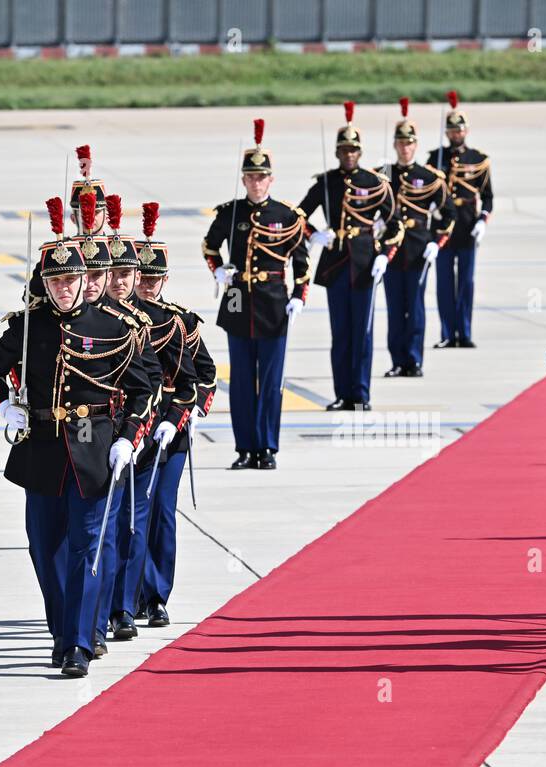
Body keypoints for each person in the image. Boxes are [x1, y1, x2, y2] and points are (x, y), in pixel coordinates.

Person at [0, 197, 154, 677]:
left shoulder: (115, 327)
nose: (61, 290)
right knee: (43, 543)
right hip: (42, 445)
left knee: (86, 543)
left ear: (83, 282)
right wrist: (3, 405)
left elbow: (142, 388)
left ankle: (78, 642)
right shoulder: (29, 326)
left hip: (94, 446)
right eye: (53, 281)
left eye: (69, 281)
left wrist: (129, 437)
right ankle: (63, 629)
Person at [107, 200, 198, 639]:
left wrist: (175, 418)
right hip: (125, 431)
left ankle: (154, 596)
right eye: (134, 277)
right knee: (125, 519)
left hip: (164, 434)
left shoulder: (176, 323)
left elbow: (196, 380)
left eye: (151, 278)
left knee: (156, 514)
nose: (143, 285)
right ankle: (121, 601)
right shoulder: (113, 320)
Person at [203, 120, 310, 469]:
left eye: (261, 177)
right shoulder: (231, 213)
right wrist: (217, 269)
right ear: (244, 179)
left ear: (271, 179)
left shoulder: (287, 215)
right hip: (238, 303)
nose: (256, 183)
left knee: (271, 382)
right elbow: (209, 245)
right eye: (250, 177)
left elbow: (301, 260)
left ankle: (267, 448)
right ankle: (245, 448)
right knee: (242, 383)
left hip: (274, 304)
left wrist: (299, 295)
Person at [299, 102, 400, 410]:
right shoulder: (326, 183)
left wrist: (385, 254)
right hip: (335, 264)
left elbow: (395, 225)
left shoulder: (375, 183)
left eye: (353, 150)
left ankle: (361, 394)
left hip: (365, 263)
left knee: (363, 334)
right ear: (337, 152)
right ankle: (342, 393)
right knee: (340, 333)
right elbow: (299, 215)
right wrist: (314, 234)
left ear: (360, 152)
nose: (349, 154)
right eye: (344, 150)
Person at [381, 97, 454, 378]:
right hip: (391, 250)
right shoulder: (383, 174)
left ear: (415, 145)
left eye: (409, 143)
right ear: (395, 145)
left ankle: (414, 360)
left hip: (417, 249)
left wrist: (437, 242)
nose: (405, 147)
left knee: (415, 308)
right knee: (395, 309)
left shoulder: (430, 176)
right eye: (400, 143)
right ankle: (397, 361)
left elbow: (448, 214)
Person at [427, 90, 493, 349]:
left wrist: (482, 220)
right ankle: (447, 333)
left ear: (466, 131)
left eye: (460, 130)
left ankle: (464, 333)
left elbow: (487, 196)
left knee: (466, 282)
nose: (456, 134)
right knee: (444, 283)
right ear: (447, 133)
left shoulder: (478, 160)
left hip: (467, 225)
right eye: (451, 131)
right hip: (443, 226)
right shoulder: (436, 158)